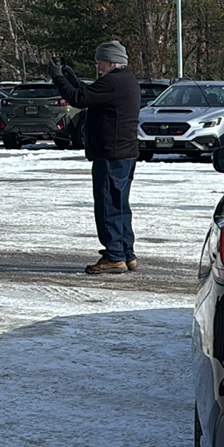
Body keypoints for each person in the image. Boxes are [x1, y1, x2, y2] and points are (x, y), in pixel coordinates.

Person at [47, 41, 141, 275]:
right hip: (125, 152)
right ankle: (126, 252)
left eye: (100, 62)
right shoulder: (126, 81)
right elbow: (88, 94)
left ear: (111, 62)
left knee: (108, 203)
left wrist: (59, 78)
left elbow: (79, 99)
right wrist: (71, 78)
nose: (98, 66)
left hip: (110, 153)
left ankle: (114, 255)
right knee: (120, 204)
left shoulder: (113, 82)